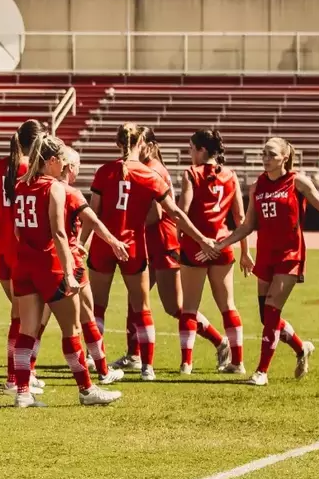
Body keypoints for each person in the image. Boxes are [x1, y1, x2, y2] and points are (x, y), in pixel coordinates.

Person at [205, 137, 319, 386]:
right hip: (266, 255)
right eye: (263, 154)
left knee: (271, 310)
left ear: (284, 158)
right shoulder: (257, 185)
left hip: (290, 255)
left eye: (271, 154)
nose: (265, 158)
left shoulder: (297, 181)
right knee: (265, 316)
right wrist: (222, 243)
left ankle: (261, 372)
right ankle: (302, 349)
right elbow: (248, 225)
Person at [87, 123, 216, 382]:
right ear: (141, 144)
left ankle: (97, 362)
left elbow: (93, 214)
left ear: (117, 144)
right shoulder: (148, 175)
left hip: (104, 244)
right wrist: (201, 238)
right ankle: (147, 367)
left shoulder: (104, 172)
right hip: (134, 244)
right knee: (142, 306)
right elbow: (175, 212)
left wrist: (80, 244)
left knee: (97, 307)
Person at [9, 135, 127, 408]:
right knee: (71, 330)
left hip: (23, 264)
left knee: (27, 330)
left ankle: (23, 392)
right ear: (50, 161)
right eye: (61, 160)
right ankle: (87, 389)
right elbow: (59, 233)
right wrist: (69, 272)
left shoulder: (21, 185)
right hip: (50, 265)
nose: (63, 167)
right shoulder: (55, 188)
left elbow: (17, 230)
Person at [124, 129, 230, 378]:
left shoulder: (153, 169)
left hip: (163, 242)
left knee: (175, 306)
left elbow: (157, 214)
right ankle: (133, 355)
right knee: (135, 298)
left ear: (148, 146)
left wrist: (127, 221)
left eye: (134, 144)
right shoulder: (145, 167)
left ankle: (220, 341)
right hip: (149, 241)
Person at [0, 120, 59, 394]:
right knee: (26, 315)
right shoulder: (32, 168)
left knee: (22, 313)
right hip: (23, 245)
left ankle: (25, 372)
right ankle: (16, 376)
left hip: (0, 244)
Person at [178, 129, 249, 376]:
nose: (189, 154)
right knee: (228, 306)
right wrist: (245, 251)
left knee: (189, 306)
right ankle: (238, 362)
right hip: (223, 245)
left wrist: (192, 238)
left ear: (202, 150)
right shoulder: (231, 175)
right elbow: (240, 217)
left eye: (191, 149)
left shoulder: (191, 174)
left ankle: (187, 363)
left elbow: (182, 212)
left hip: (195, 247)